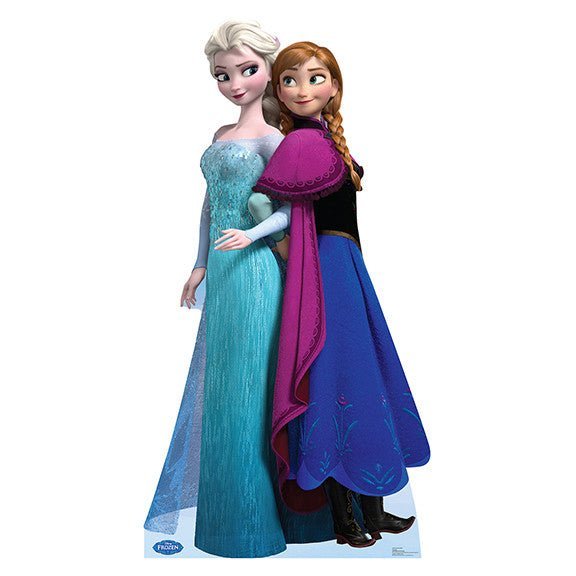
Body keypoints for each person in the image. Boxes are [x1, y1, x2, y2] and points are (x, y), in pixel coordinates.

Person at [144, 23, 333, 558]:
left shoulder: (276, 140)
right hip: (223, 276)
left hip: (256, 273)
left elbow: (291, 210)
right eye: (222, 75)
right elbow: (210, 204)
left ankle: (256, 526)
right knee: (222, 390)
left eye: (247, 70)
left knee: (250, 390)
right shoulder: (220, 133)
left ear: (269, 70)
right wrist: (199, 264)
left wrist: (250, 234)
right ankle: (222, 524)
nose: (234, 84)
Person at [252, 41, 431, 548]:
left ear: (333, 86)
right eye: (290, 80)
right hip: (328, 266)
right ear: (279, 90)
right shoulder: (300, 144)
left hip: (346, 265)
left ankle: (372, 508)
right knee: (334, 379)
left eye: (315, 77)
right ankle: (344, 517)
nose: (302, 89)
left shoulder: (326, 140)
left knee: (360, 378)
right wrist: (289, 252)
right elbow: (263, 201)